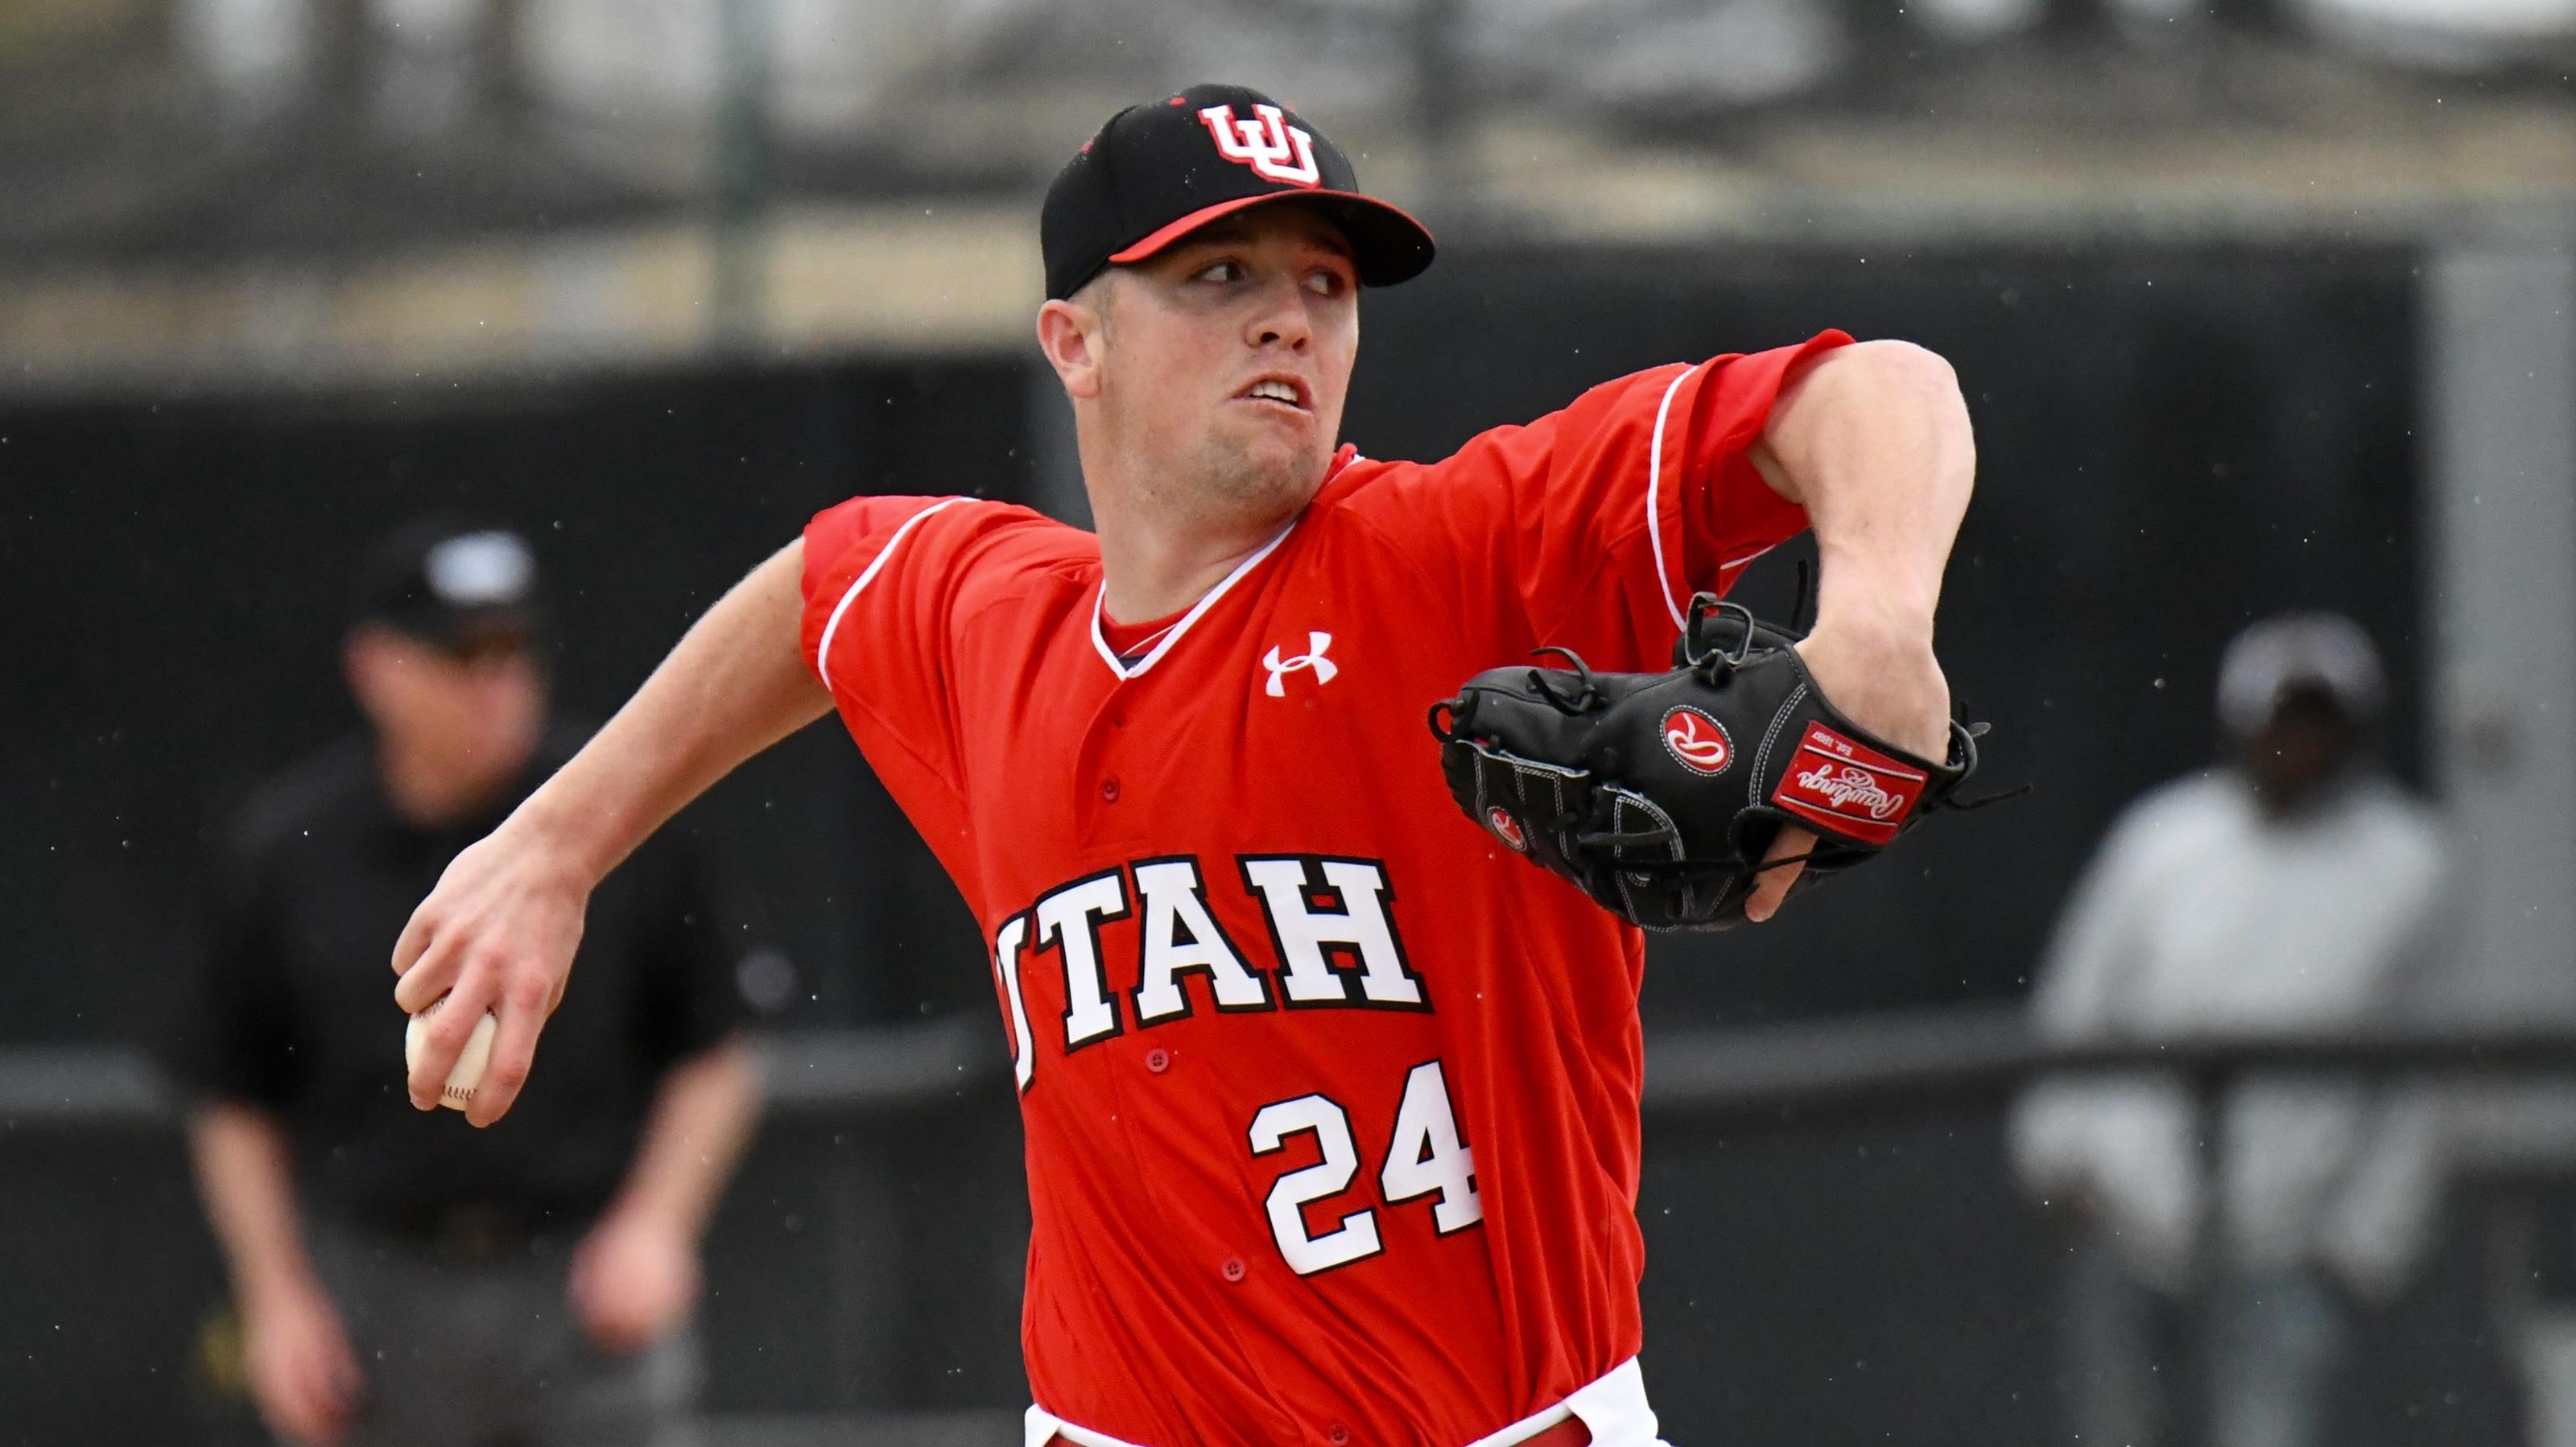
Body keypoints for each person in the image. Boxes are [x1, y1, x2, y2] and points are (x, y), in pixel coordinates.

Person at [393, 84, 1973, 1447]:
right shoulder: (987, 619)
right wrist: (554, 844)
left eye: (1325, 282)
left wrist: (1881, 618)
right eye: (1219, 273)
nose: (1289, 313)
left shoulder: (1469, 551)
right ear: (1071, 341)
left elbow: (1878, 389)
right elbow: (819, 587)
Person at [168, 517, 763, 1447]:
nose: (498, 685)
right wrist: (277, 1296)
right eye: (461, 657)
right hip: (375, 1292)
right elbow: (232, 1091)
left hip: (578, 1289)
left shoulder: (621, 818)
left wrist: (657, 1224)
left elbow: (716, 1052)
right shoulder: (290, 847)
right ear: (376, 667)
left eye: (515, 652)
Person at [2011, 612, 2449, 1447]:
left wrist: (2363, 1239)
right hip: (2133, 1209)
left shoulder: (2408, 868)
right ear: (2240, 723)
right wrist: (2059, 1156)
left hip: (2289, 1234)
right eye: (2281, 719)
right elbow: (2077, 1001)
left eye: (2317, 723)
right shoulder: (2159, 841)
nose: (2296, 743)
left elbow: (2419, 1075)